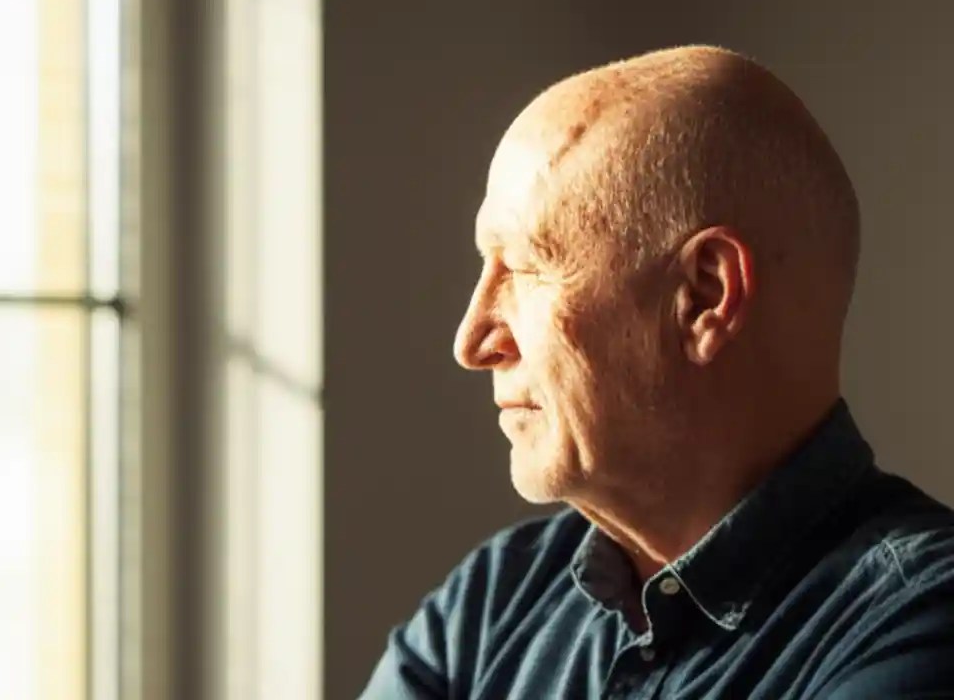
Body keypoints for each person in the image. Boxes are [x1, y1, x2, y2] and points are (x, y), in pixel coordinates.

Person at [359, 46, 954, 699]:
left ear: (704, 297)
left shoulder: (921, 619)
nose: (472, 341)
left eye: (526, 267)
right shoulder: (484, 608)